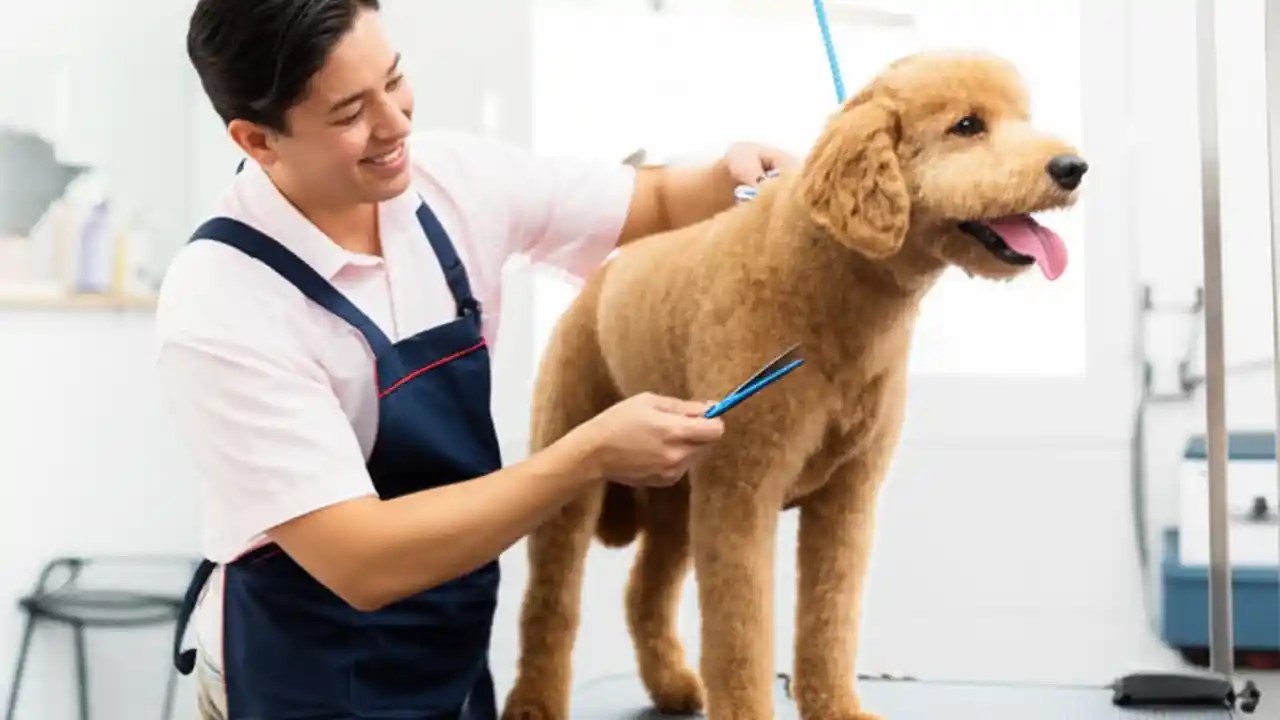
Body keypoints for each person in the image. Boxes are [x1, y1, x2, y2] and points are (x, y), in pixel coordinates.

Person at [157, 1, 798, 718]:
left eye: (394, 80)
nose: (396, 125)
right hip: (303, 668)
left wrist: (728, 178)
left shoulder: (447, 184)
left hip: (447, 654)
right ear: (257, 138)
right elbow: (362, 561)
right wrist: (587, 457)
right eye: (349, 114)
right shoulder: (222, 303)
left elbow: (648, 200)